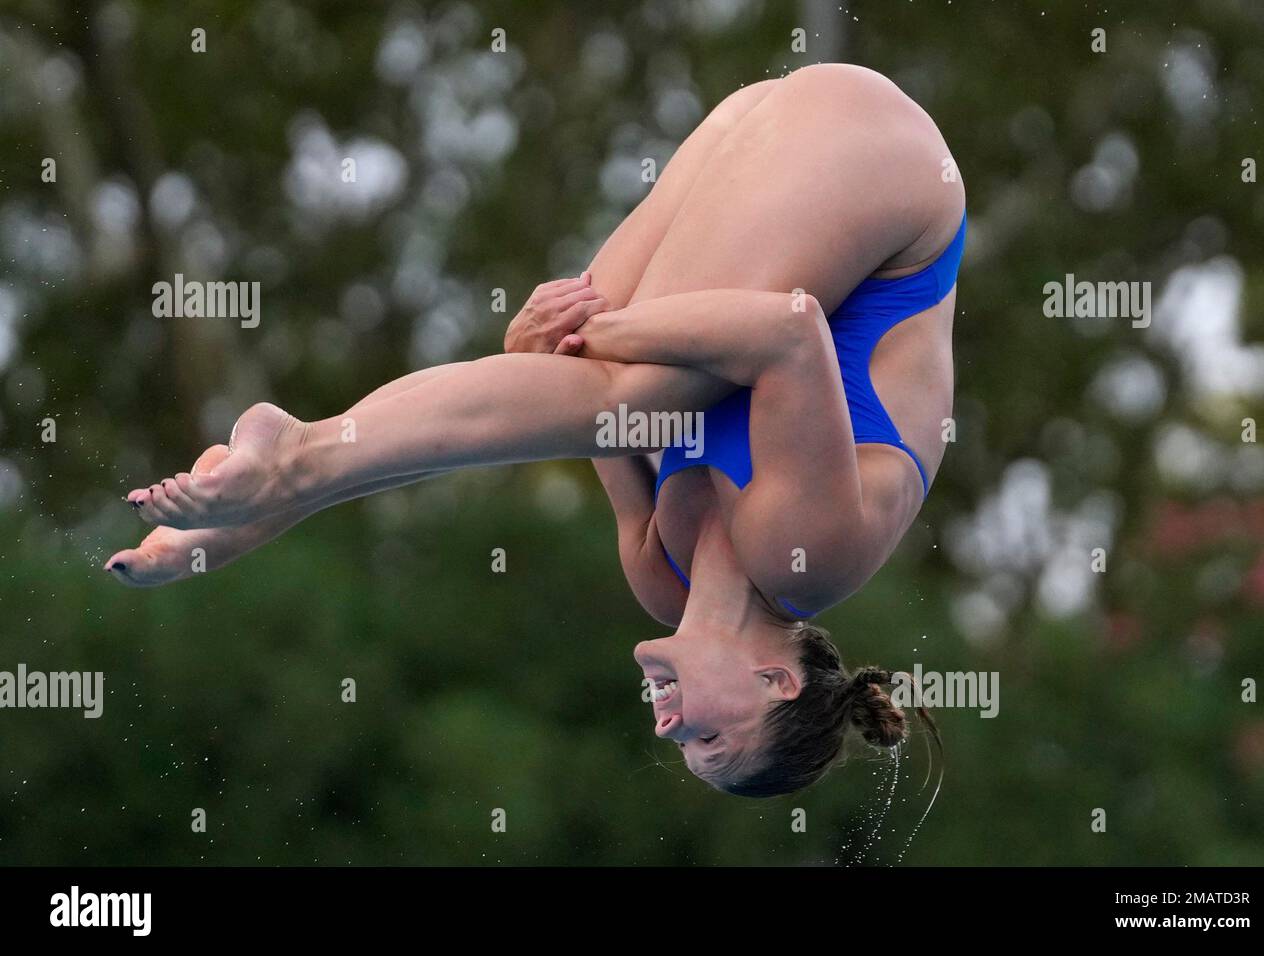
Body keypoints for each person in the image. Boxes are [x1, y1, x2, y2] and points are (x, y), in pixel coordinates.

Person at [107, 64, 964, 796]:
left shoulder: (660, 574)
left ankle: (272, 501)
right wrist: (600, 340)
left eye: (683, 749)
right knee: (619, 388)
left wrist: (541, 352)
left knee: (597, 394)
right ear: (776, 680)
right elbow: (789, 330)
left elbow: (565, 419)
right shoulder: (805, 557)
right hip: (883, 157)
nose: (669, 729)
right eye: (709, 739)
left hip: (759, 126)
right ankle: (292, 468)